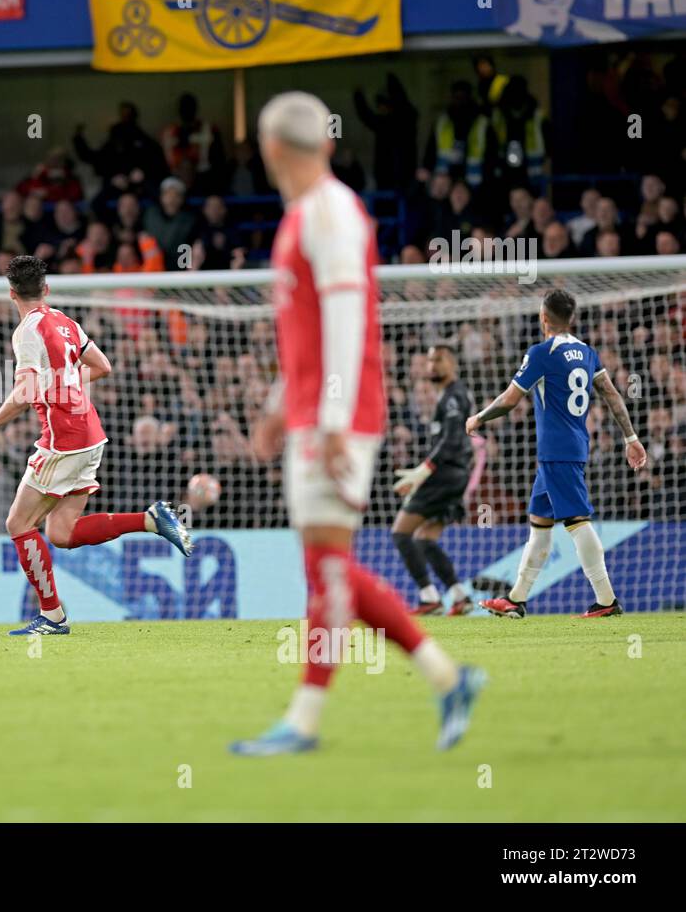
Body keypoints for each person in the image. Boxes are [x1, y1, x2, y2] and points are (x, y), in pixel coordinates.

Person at [233, 92, 485, 757]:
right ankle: (440, 681)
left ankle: (320, 717)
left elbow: (348, 321)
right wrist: (278, 406)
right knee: (327, 570)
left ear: (270, 148)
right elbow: (307, 331)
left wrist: (334, 419)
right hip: (318, 412)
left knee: (329, 568)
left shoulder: (330, 213)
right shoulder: (306, 214)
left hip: (339, 418)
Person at [0, 255, 192, 636]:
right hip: (91, 434)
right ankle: (150, 520)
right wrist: (67, 382)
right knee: (60, 533)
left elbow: (23, 391)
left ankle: (52, 616)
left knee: (18, 523)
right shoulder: (66, 323)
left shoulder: (26, 332)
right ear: (47, 290)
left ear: (11, 294)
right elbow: (103, 367)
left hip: (64, 440)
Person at [467, 288, 647, 618]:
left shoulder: (541, 353)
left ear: (544, 318)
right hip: (571, 447)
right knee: (540, 526)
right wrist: (630, 437)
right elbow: (611, 393)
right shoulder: (587, 352)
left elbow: (510, 399)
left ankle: (606, 600)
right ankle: (516, 599)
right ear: (572, 318)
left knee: (578, 522)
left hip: (557, 451)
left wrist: (479, 417)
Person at [391, 344, 477, 615]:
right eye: (429, 360)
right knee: (424, 540)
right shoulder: (448, 397)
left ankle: (429, 596)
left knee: (400, 533)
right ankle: (459, 596)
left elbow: (452, 440)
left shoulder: (454, 396)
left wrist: (423, 470)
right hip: (453, 476)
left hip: (445, 475)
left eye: (438, 360)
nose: (432, 366)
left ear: (452, 363)